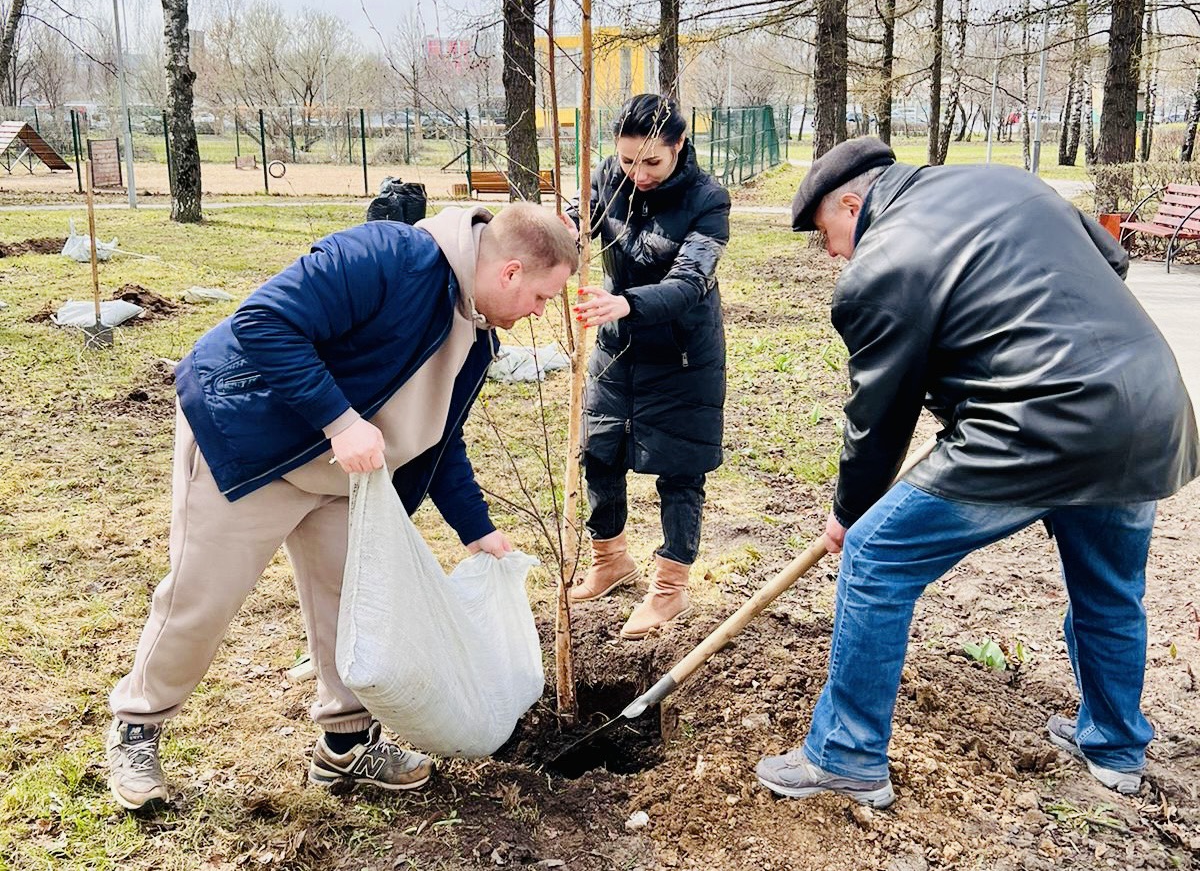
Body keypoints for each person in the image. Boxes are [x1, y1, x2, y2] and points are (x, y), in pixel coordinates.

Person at [755, 137, 1199, 809]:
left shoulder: (882, 261)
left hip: (1040, 423)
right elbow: (1110, 258)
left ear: (853, 202)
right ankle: (1114, 745)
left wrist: (849, 512)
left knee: (875, 555)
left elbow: (879, 413)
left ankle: (846, 753)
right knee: (1109, 586)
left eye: (828, 234)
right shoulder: (1005, 183)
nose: (833, 253)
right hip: (1145, 407)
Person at [105, 202, 577, 810]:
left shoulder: (476, 330)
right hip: (252, 443)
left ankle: (346, 744)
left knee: (352, 600)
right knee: (202, 596)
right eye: (542, 297)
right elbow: (264, 322)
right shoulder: (388, 256)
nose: (541, 313)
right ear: (510, 272)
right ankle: (137, 725)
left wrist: (475, 530)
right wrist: (339, 421)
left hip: (342, 469)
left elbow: (440, 429)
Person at [565, 93, 731, 639]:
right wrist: (565, 229)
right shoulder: (608, 176)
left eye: (651, 163)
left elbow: (689, 282)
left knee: (680, 470)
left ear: (679, 147)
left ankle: (668, 589)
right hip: (618, 346)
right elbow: (578, 216)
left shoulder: (709, 200)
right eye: (628, 160)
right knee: (600, 451)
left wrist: (628, 303)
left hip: (682, 353)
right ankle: (609, 560)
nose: (637, 174)